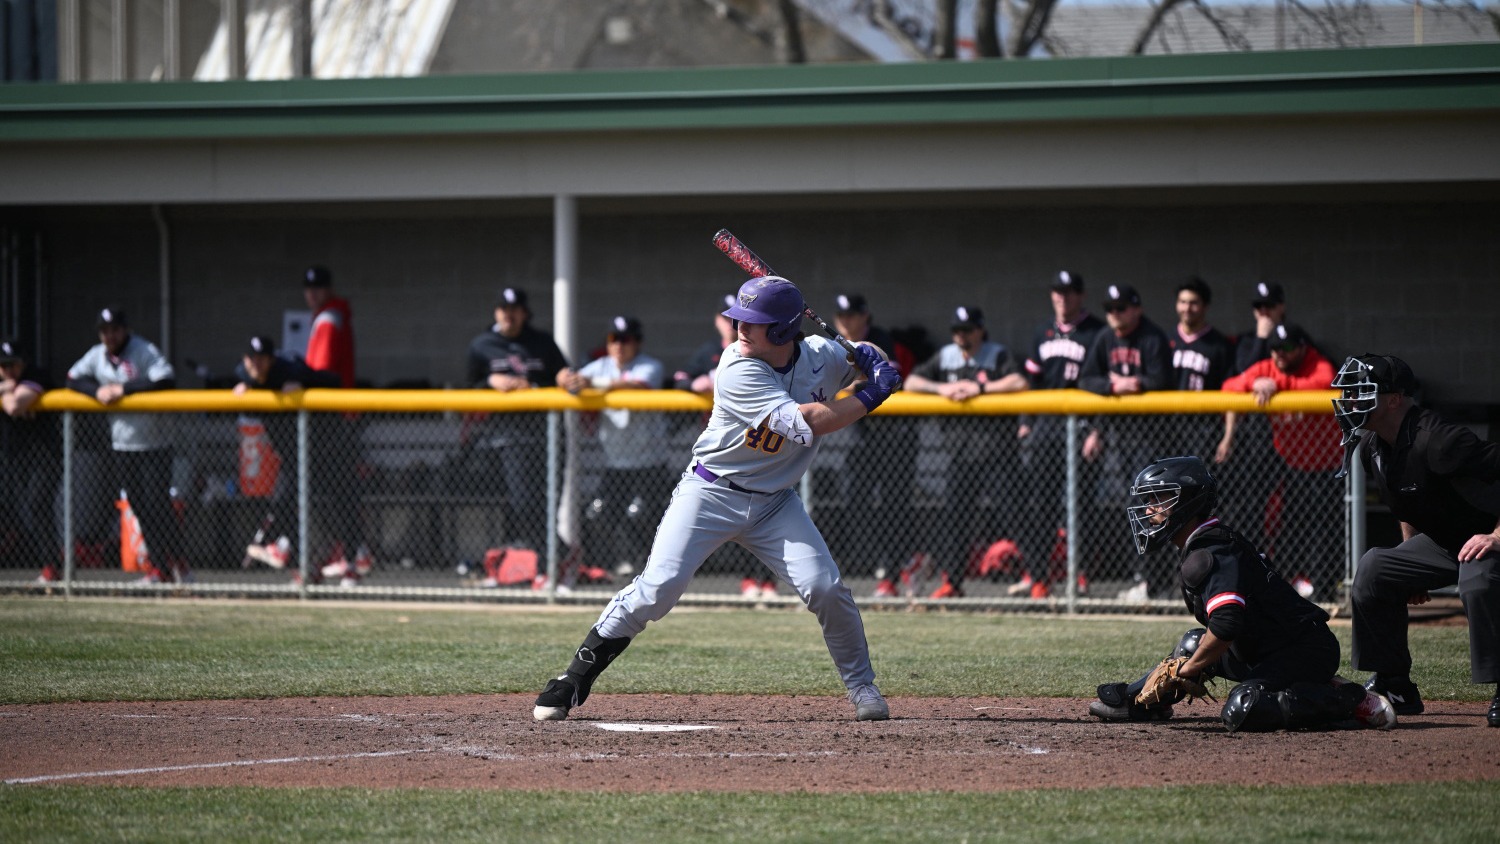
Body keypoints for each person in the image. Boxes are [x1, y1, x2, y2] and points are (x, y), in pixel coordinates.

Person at [532, 274, 902, 723]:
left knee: (825, 587)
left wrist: (869, 355)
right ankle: (573, 679)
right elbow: (809, 422)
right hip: (710, 492)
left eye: (753, 322)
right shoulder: (737, 367)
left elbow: (874, 363)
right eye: (738, 319)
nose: (739, 328)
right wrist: (873, 390)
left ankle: (862, 686)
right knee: (659, 589)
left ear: (785, 331)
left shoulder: (822, 355)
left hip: (775, 504)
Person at [1089, 456, 1396, 732]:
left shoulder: (1211, 551)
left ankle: (1349, 700)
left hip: (1305, 650)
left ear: (1188, 502)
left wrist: (1188, 670)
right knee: (1192, 644)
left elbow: (1226, 625)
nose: (1148, 510)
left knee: (1245, 706)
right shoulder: (1204, 544)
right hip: (1264, 648)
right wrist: (1188, 663)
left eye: (1159, 498)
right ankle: (1137, 703)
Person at [1334, 354, 1500, 726]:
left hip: (1490, 538)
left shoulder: (1439, 439)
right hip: (1446, 542)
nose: (1351, 402)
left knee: (1477, 574)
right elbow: (1406, 508)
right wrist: (1410, 566)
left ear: (1394, 399)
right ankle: (1394, 684)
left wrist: (1496, 535)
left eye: (1362, 393)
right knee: (1376, 568)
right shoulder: (1375, 449)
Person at [904, 305, 1028, 598]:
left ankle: (1036, 578)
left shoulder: (997, 354)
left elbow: (1019, 382)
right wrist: (941, 389)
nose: (961, 335)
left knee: (1017, 517)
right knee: (955, 521)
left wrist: (981, 389)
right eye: (957, 330)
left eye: (967, 329)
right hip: (960, 454)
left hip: (999, 453)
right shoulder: (946, 356)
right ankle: (953, 582)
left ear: (980, 329)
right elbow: (911, 381)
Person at [65, 306, 188, 583]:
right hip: (122, 443)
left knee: (158, 504)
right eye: (105, 331)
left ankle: (180, 562)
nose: (110, 336)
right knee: (139, 506)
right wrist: (96, 390)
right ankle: (159, 568)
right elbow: (72, 379)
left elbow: (166, 379)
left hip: (155, 442)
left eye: (115, 330)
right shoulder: (97, 355)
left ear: (125, 330)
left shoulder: (143, 350)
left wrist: (125, 389)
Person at [1220, 324, 1341, 600]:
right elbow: (1229, 387)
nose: (1280, 354)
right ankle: (1290, 583)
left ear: (1301, 347)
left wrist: (1279, 386)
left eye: (1287, 347)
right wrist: (1254, 383)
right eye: (1275, 348)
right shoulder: (1266, 368)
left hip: (1327, 463)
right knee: (1291, 524)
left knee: (1323, 527)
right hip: (1292, 462)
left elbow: (1324, 383)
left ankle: (1323, 590)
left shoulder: (1316, 363)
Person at [465, 286, 578, 560]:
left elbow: (562, 371)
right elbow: (470, 387)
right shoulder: (482, 345)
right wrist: (492, 381)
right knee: (523, 504)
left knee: (547, 503)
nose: (509, 315)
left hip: (546, 433)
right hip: (507, 436)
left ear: (525, 313)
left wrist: (565, 376)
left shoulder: (541, 342)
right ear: (496, 311)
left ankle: (551, 565)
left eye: (515, 310)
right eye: (504, 309)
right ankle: (559, 558)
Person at [1013, 270, 1106, 599]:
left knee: (1082, 507)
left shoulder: (1097, 332)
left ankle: (1079, 573)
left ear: (1080, 296)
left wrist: (1098, 430)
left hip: (1081, 430)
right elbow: (1032, 381)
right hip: (1048, 431)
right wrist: (1026, 420)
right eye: (1058, 292)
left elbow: (1101, 384)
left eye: (1069, 292)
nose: (1063, 298)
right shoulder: (1043, 332)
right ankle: (1040, 576)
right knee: (1043, 507)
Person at [1078, 284, 1173, 601]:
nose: (1115, 315)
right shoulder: (1105, 338)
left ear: (1137, 309)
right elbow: (1086, 379)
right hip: (1121, 436)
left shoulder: (1152, 337)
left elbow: (1163, 381)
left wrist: (1139, 384)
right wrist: (1111, 386)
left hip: (1154, 436)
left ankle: (1154, 581)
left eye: (1121, 308)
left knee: (1152, 506)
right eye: (1110, 309)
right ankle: (1145, 579)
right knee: (1135, 505)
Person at [673, 294, 772, 598]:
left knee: (766, 512)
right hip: (724, 451)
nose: (732, 324)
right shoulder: (709, 353)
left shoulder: (760, 353)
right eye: (727, 316)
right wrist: (696, 382)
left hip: (762, 445)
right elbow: (678, 380)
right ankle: (746, 579)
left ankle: (766, 580)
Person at [828, 293, 918, 600]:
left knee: (895, 504)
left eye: (852, 315)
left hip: (895, 438)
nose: (847, 321)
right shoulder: (835, 342)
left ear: (865, 316)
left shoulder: (880, 340)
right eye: (842, 316)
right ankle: (881, 564)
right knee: (856, 498)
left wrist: (855, 386)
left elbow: (888, 379)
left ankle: (894, 571)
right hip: (865, 438)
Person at [568, 316, 672, 582]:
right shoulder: (599, 366)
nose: (619, 346)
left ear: (637, 343)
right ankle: (619, 563)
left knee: (641, 514)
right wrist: (572, 379)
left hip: (650, 462)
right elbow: (575, 380)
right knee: (598, 513)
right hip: (615, 462)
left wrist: (594, 384)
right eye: (614, 339)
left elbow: (638, 384)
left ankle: (649, 567)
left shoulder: (649, 365)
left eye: (625, 340)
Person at [233, 335, 342, 578]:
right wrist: (248, 386)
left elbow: (303, 371)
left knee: (320, 502)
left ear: (271, 359)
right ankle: (296, 559)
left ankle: (320, 554)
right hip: (294, 449)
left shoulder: (288, 368)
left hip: (324, 441)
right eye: (252, 359)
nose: (256, 364)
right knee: (291, 501)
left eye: (262, 359)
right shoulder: (243, 372)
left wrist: (297, 381)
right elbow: (244, 378)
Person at [299, 266, 371, 582]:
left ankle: (352, 554)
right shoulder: (328, 316)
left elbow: (322, 371)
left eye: (319, 287)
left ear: (329, 289)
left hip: (334, 418)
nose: (313, 292)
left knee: (334, 491)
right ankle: (347, 553)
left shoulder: (329, 318)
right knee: (335, 492)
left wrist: (296, 377)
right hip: (336, 417)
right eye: (309, 287)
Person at [0, 338, 62, 582]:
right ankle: (50, 565)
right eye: (3, 366)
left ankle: (52, 567)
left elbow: (15, 406)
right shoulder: (7, 380)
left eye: (13, 365)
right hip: (17, 457)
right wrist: (7, 387)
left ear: (23, 363)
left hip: (46, 456)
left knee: (38, 505)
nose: (9, 370)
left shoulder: (37, 374)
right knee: (29, 509)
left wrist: (6, 390)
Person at [1168, 276, 1236, 465]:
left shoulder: (1219, 346)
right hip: (1168, 429)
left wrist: (1228, 436)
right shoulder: (1165, 341)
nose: (1187, 308)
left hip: (1204, 430)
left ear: (1205, 306)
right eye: (1182, 302)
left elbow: (1232, 393)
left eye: (1193, 303)